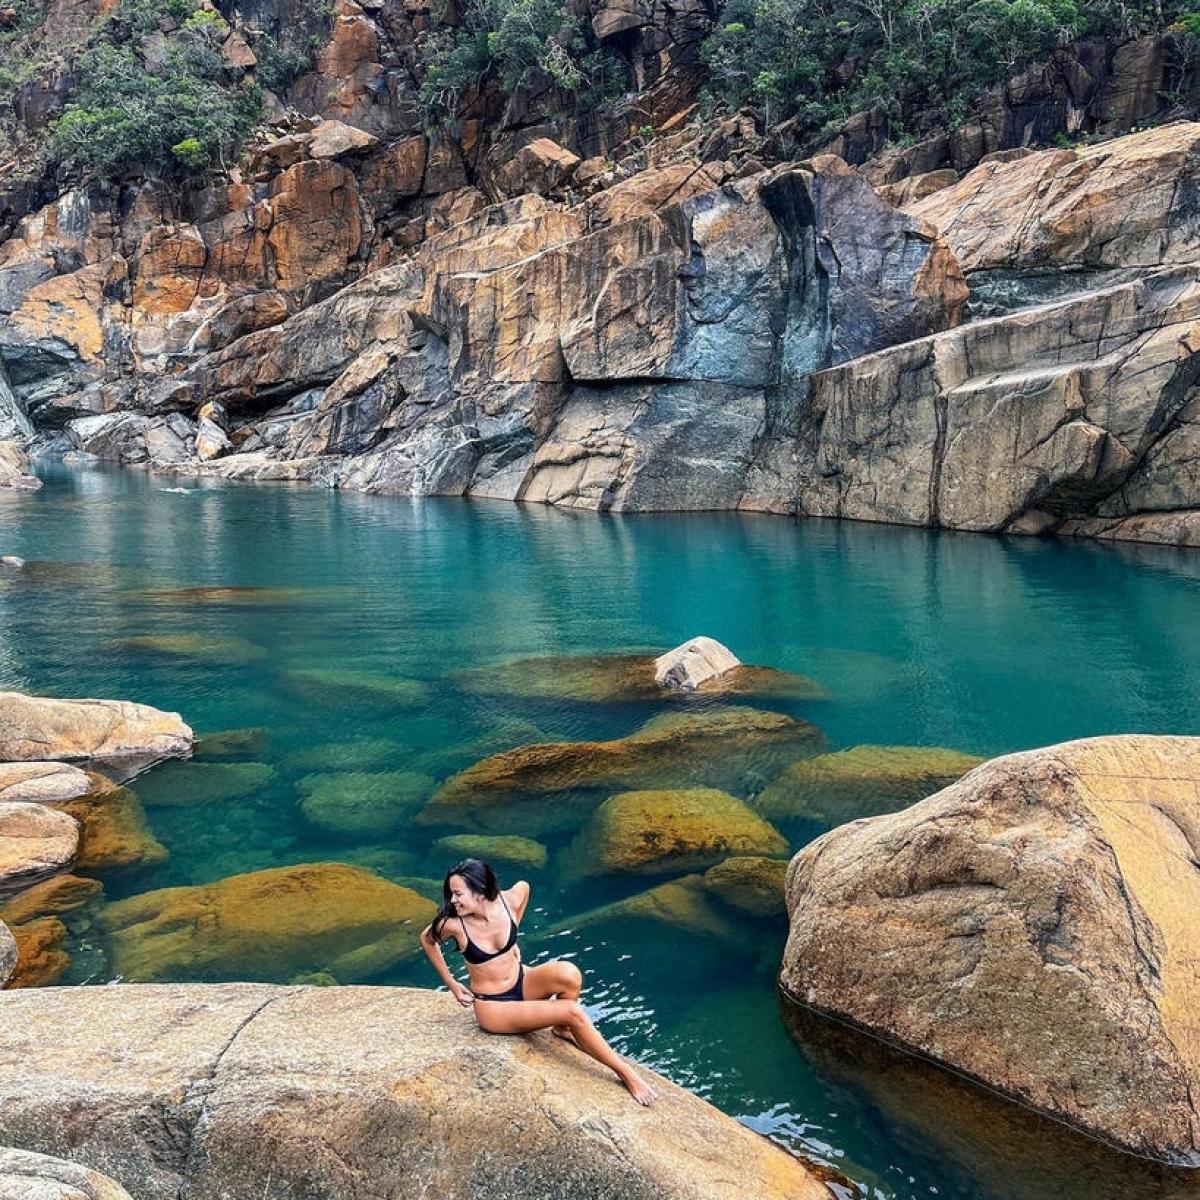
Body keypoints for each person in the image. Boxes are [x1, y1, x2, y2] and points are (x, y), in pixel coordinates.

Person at [418, 857, 657, 1105]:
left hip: (521, 981)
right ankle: (626, 1074)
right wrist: (452, 984)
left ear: (480, 890)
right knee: (571, 1011)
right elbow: (427, 940)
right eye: (451, 894)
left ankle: (562, 1030)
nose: (452, 900)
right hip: (494, 1007)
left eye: (458, 894)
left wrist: (513, 938)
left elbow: (525, 886)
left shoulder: (507, 901)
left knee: (569, 973)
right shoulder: (454, 924)